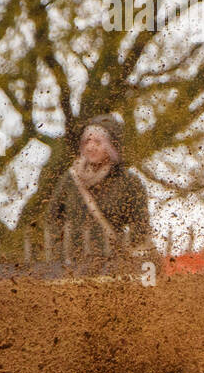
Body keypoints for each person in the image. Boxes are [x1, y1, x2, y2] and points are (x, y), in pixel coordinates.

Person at [46, 113, 153, 268]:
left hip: (114, 266)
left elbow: (141, 228)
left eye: (98, 141)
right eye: (87, 141)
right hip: (74, 267)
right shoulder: (70, 179)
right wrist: (59, 254)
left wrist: (126, 257)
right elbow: (52, 218)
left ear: (111, 146)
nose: (91, 147)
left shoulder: (128, 182)